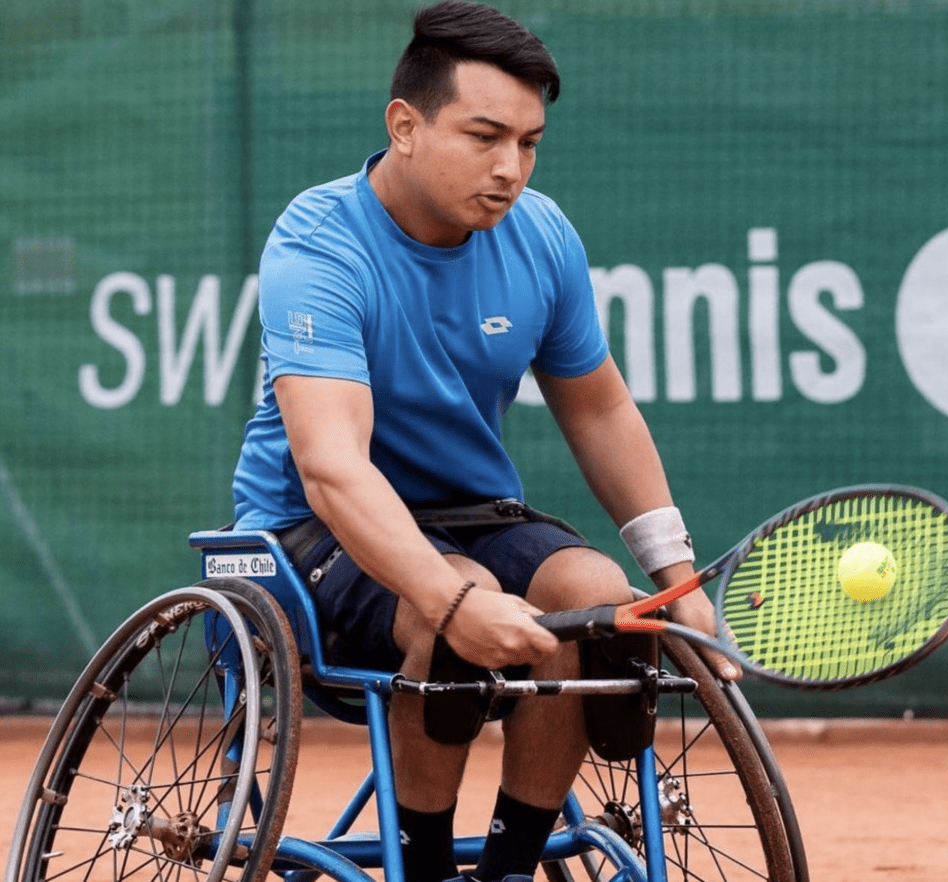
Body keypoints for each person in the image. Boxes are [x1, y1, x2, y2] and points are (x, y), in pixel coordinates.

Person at [232, 2, 738, 880]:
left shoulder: (541, 235)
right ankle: (424, 867)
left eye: (530, 142)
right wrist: (454, 602)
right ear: (406, 126)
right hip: (307, 538)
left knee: (594, 596)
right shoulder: (319, 245)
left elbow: (600, 411)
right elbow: (332, 467)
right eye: (484, 135)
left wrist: (676, 581)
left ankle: (509, 866)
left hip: (473, 511)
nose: (510, 168)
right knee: (452, 603)